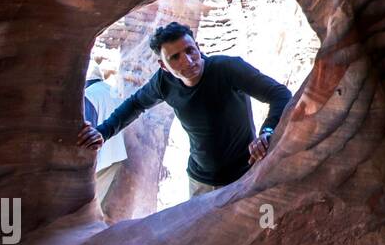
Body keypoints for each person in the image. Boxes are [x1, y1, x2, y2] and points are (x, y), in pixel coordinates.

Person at [77, 22, 292, 197]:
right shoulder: (164, 82)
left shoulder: (227, 69)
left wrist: (268, 132)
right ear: (164, 66)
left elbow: (280, 94)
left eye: (190, 50)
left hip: (243, 175)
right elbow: (135, 104)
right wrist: (103, 132)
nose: (188, 61)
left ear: (198, 47)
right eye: (175, 57)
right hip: (199, 180)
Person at [83, 53, 129, 218]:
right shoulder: (111, 90)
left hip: (99, 161)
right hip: (115, 155)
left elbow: (87, 129)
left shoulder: (88, 95)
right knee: (98, 202)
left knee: (85, 209)